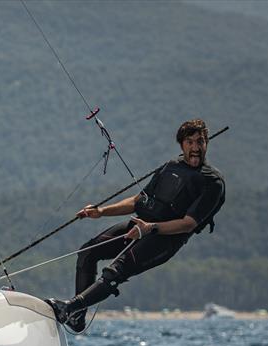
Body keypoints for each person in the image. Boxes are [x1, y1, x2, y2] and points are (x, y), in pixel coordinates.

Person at [47, 119, 226, 332]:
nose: (196, 148)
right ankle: (77, 318)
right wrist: (101, 211)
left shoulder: (212, 182)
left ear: (207, 143)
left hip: (164, 239)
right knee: (88, 252)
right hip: (138, 226)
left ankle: (69, 308)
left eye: (201, 142)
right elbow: (137, 201)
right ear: (181, 144)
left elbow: (188, 224)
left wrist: (150, 228)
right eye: (190, 142)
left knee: (115, 272)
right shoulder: (170, 167)